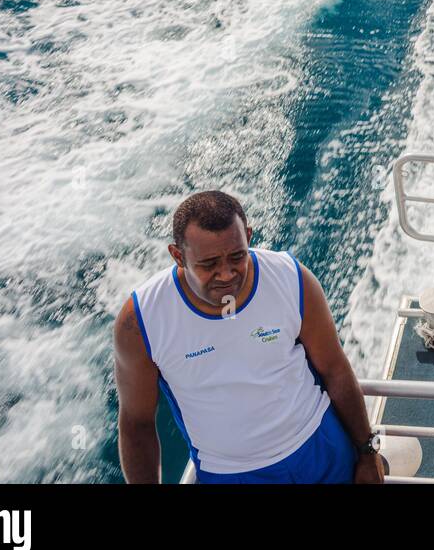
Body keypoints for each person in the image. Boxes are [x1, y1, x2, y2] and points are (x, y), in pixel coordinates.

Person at [114, 190, 383, 484]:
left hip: (320, 446)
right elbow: (136, 424)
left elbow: (335, 369)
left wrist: (367, 452)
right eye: (209, 264)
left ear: (249, 237)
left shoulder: (290, 277)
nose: (227, 274)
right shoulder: (142, 321)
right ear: (178, 256)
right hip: (233, 474)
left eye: (237, 256)